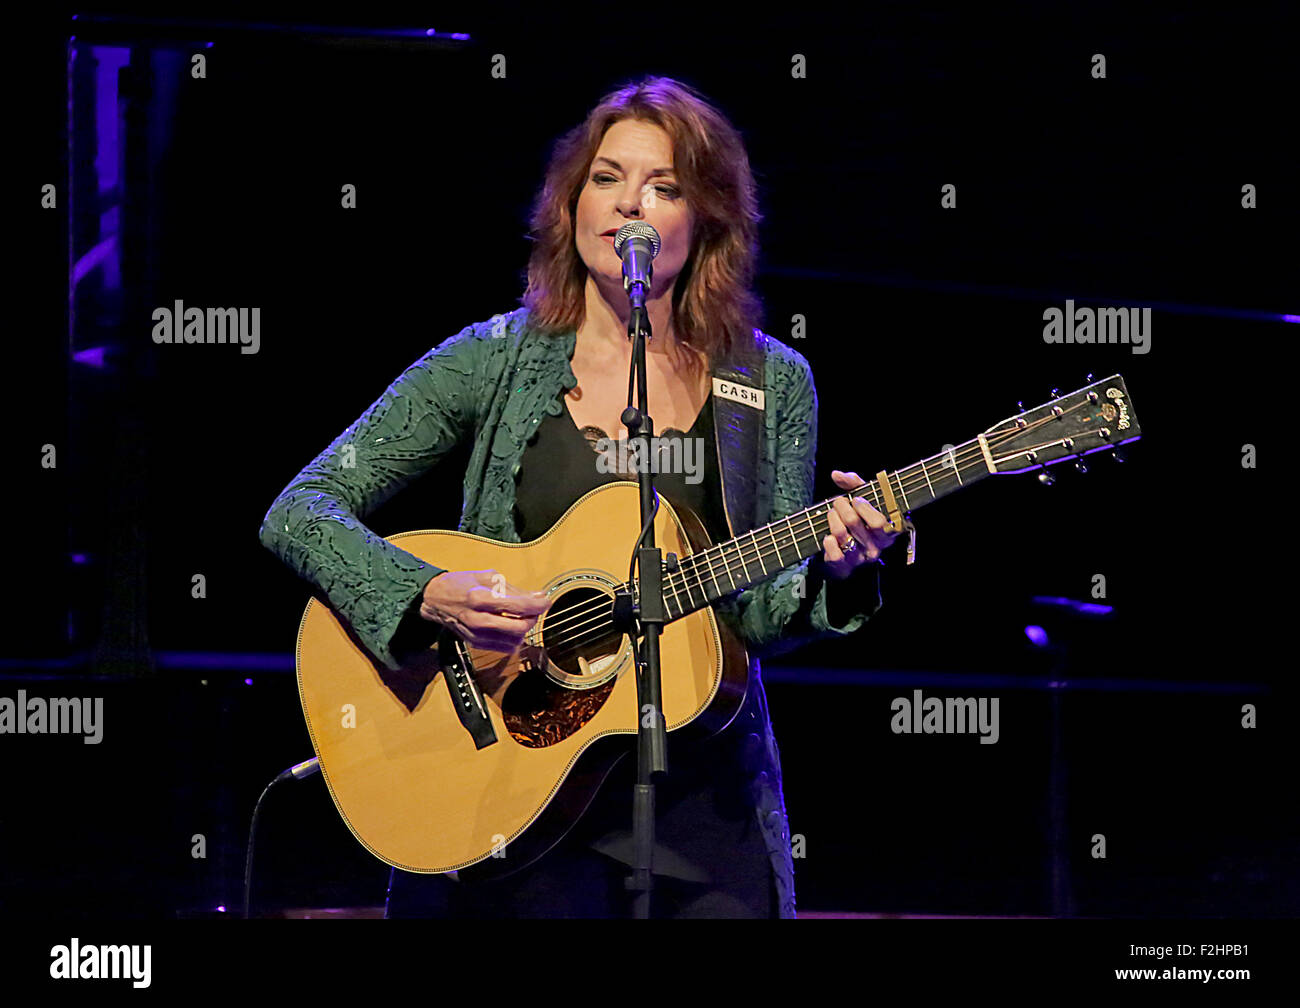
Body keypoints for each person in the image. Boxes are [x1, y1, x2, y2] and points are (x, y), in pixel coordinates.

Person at [259, 76, 899, 919]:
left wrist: (840, 568)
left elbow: (759, 618)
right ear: (571, 202)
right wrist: (421, 595)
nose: (628, 203)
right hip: (508, 785)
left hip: (702, 805)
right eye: (607, 177)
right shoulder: (493, 358)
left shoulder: (770, 381)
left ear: (705, 218)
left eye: (663, 187)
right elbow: (301, 507)